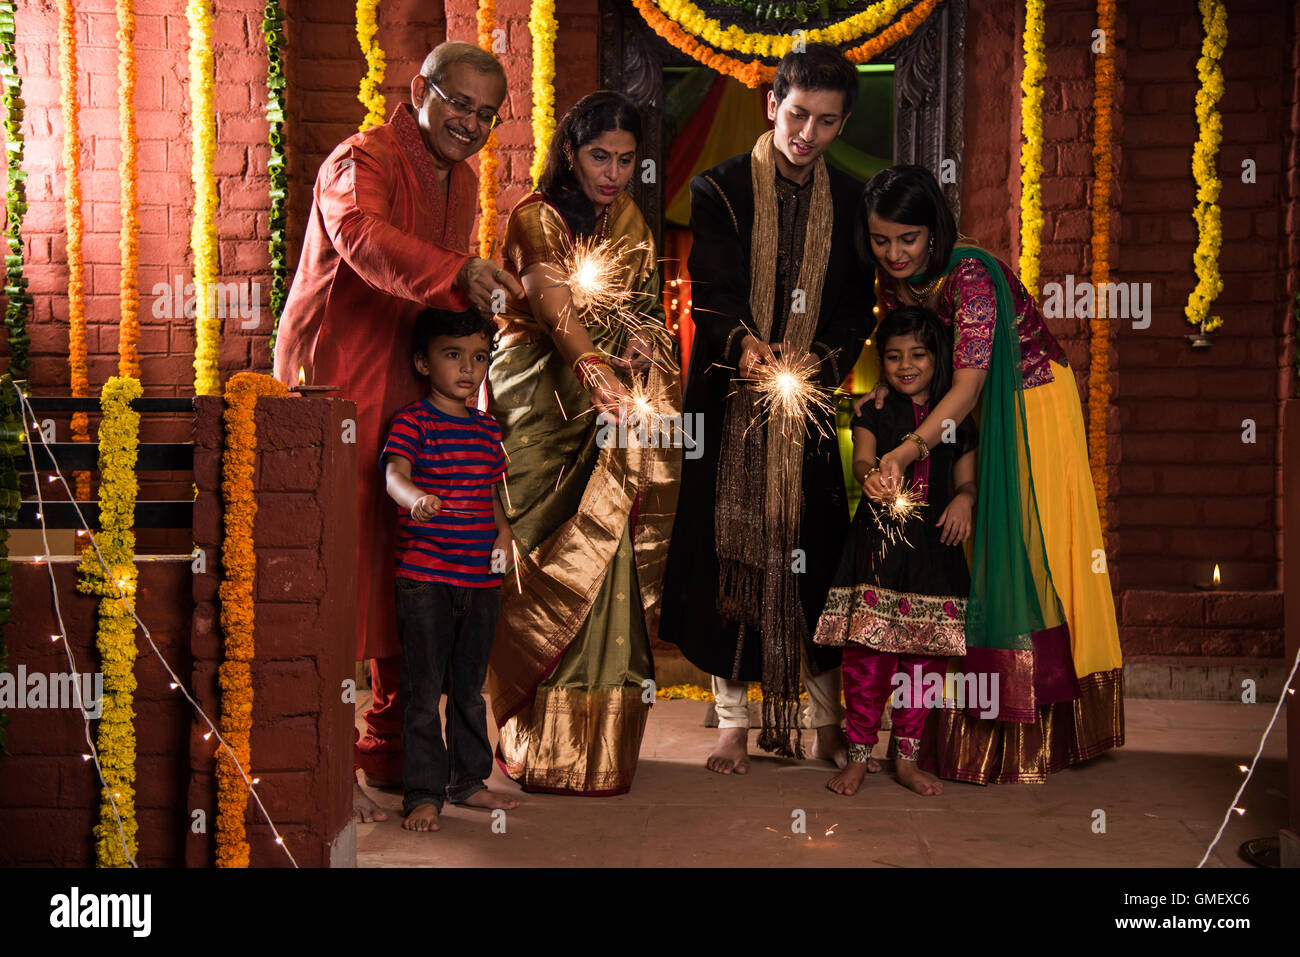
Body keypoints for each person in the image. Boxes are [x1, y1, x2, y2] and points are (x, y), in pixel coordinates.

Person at [271, 42, 523, 821]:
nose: (472, 124)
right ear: (419, 90)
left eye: (488, 113)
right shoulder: (360, 159)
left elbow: (449, 290)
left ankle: (387, 748)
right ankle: (321, 754)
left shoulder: (467, 178)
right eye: (460, 103)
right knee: (340, 561)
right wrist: (459, 276)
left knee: (402, 556)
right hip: (338, 375)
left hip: (412, 378)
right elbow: (364, 240)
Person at [857, 164, 1124, 784]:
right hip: (967, 413)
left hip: (1029, 408)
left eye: (909, 239)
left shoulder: (969, 277)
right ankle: (950, 721)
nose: (895, 254)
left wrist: (903, 452)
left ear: (935, 232)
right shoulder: (908, 281)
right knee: (965, 552)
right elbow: (920, 353)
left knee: (1033, 548)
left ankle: (1035, 723)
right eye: (881, 240)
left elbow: (972, 380)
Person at [659, 43, 874, 773]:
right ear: (771, 105)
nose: (807, 133)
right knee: (730, 553)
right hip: (730, 398)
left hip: (806, 406)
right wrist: (750, 350)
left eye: (826, 121)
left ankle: (823, 720)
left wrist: (819, 362)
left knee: (811, 549)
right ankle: (730, 723)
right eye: (797, 114)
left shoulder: (849, 202)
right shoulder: (720, 189)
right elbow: (712, 292)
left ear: (843, 125)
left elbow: (855, 310)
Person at [485, 92, 681, 795]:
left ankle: (594, 749)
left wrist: (639, 340)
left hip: (608, 413)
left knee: (606, 557)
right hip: (542, 400)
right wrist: (590, 364)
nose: (614, 173)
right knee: (543, 550)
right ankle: (529, 737)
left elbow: (648, 312)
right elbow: (547, 297)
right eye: (601, 156)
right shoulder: (537, 215)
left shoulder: (629, 223)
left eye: (627, 160)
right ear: (571, 149)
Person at [815, 306, 977, 798]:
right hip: (877, 548)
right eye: (893, 356)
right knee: (867, 656)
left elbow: (965, 478)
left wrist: (965, 500)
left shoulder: (957, 415)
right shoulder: (874, 409)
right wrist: (869, 480)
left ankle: (905, 758)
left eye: (919, 355)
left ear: (938, 357)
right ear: (880, 362)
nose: (906, 365)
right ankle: (860, 755)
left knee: (924, 658)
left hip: (934, 549)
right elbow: (863, 458)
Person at [381, 308, 520, 831]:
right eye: (453, 355)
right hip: (425, 579)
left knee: (468, 688)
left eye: (479, 357)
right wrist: (413, 498)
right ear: (422, 362)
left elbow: (491, 494)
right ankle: (422, 793)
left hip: (480, 579)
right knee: (422, 692)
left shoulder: (486, 430)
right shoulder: (412, 422)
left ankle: (468, 782)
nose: (469, 368)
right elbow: (395, 473)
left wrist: (504, 533)